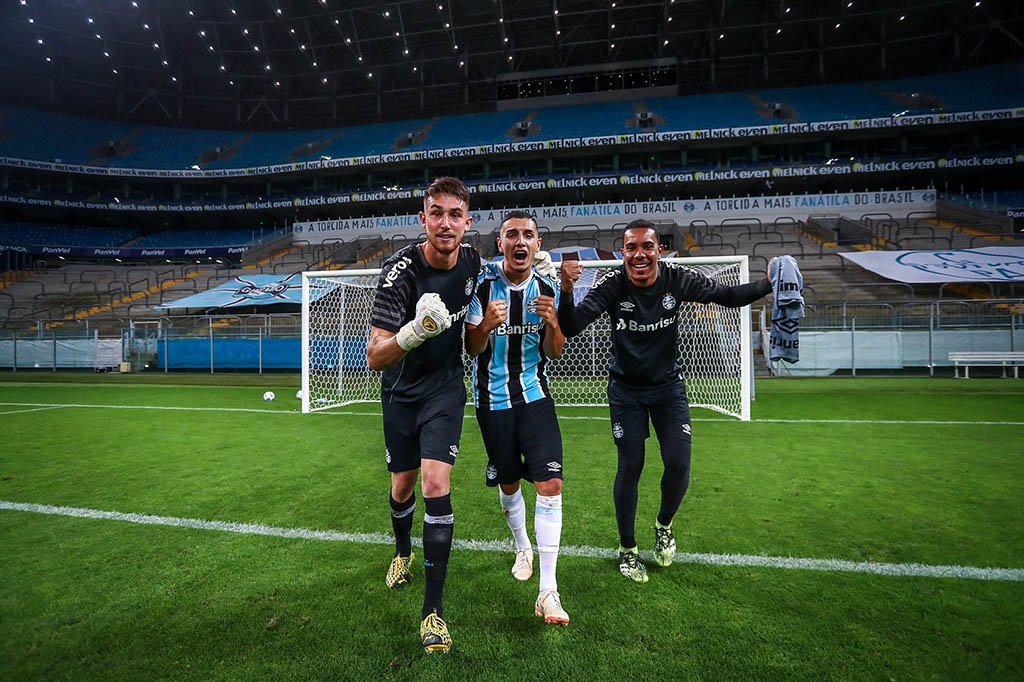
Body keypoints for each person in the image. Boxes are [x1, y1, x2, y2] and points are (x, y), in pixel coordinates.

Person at [557, 219, 773, 583]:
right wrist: (566, 289)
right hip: (626, 391)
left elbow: (727, 297)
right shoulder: (613, 287)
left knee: (678, 462)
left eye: (646, 247)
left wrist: (770, 284)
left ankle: (664, 525)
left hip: (668, 389)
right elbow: (572, 325)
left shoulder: (677, 279)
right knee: (632, 465)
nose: (639, 254)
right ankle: (627, 550)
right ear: (623, 253)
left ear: (658, 250)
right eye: (631, 248)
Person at [366, 176, 480, 653]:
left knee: (436, 484)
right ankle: (402, 551)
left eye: (455, 214)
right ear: (423, 219)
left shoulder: (473, 262)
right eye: (437, 213)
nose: (446, 223)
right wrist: (415, 331)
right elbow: (374, 355)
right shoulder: (399, 273)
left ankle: (433, 612)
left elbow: (480, 305)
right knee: (403, 486)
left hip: (446, 390)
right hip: (400, 393)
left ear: (467, 222)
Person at [464, 211, 569, 625]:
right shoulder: (483, 288)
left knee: (551, 484)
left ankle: (548, 591)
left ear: (537, 245)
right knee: (509, 482)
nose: (520, 241)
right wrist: (486, 325)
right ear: (501, 244)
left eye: (528, 235)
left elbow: (556, 352)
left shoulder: (548, 288)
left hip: (535, 397)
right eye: (512, 235)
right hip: (492, 403)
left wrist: (553, 322)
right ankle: (522, 544)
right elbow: (472, 350)